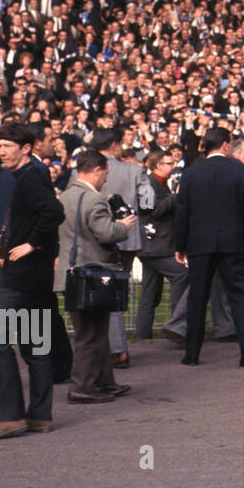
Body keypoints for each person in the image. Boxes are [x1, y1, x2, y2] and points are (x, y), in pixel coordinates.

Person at [0, 120, 65, 440]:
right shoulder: (30, 174)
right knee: (35, 347)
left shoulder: (28, 179)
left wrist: (31, 243)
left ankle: (10, 417)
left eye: (7, 147)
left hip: (20, 276)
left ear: (26, 148)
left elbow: (54, 213)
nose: (2, 153)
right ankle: (40, 416)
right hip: (35, 277)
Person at [174, 126, 244, 369]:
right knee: (241, 297)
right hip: (234, 243)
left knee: (197, 297)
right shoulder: (242, 173)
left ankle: (192, 353)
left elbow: (182, 212)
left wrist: (179, 245)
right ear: (225, 145)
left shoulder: (191, 174)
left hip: (200, 243)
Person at [55, 149, 135, 408]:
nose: (106, 180)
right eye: (105, 174)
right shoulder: (94, 200)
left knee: (95, 332)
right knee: (90, 335)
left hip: (71, 275)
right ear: (98, 170)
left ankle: (103, 381)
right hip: (90, 276)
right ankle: (81, 387)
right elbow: (106, 233)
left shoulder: (66, 197)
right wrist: (124, 225)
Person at [91, 128, 153, 370]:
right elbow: (148, 202)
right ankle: (116, 349)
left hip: (96, 239)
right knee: (116, 291)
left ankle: (116, 349)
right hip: (128, 237)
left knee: (102, 295)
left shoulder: (80, 170)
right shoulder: (135, 170)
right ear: (114, 145)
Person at [135, 149, 188, 345]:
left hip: (155, 246)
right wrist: (176, 196)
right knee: (181, 275)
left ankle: (142, 337)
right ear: (158, 165)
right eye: (169, 164)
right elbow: (152, 210)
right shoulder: (147, 184)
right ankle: (177, 328)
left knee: (149, 292)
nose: (172, 167)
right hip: (155, 246)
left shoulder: (158, 183)